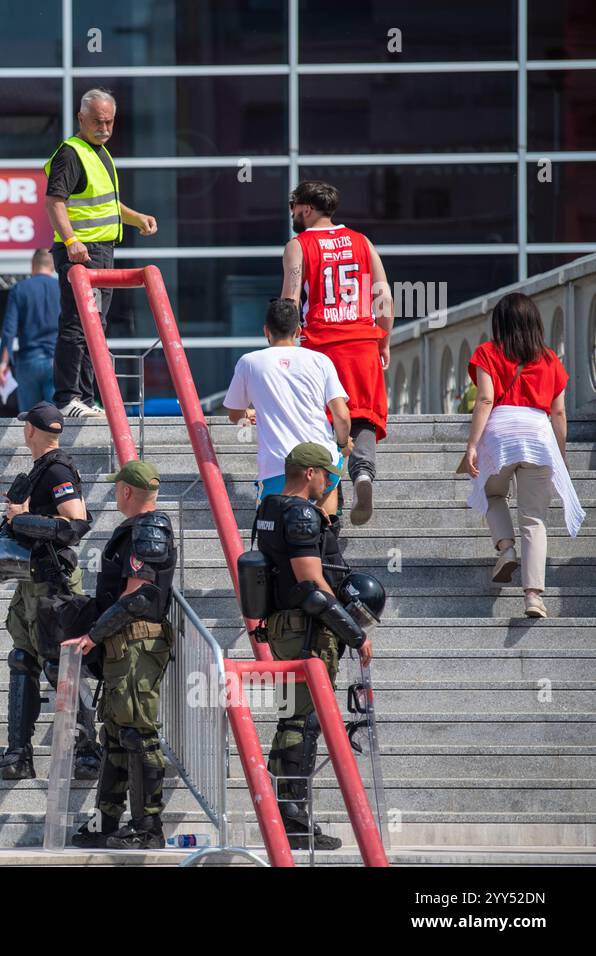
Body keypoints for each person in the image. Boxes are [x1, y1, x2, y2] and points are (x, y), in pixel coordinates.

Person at [254, 443, 374, 850]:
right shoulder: (302, 514)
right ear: (309, 473)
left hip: (283, 625)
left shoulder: (270, 507)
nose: (329, 482)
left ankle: (282, 811)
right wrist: (354, 634)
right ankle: (293, 819)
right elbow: (311, 584)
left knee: (292, 719)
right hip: (306, 628)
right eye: (327, 475)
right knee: (302, 723)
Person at [66, 461, 175, 849]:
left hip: (136, 641)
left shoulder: (148, 528)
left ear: (127, 491)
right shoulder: (136, 529)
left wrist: (93, 636)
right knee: (115, 734)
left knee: (137, 733)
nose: (115, 495)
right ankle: (106, 823)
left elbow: (138, 594)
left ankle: (148, 828)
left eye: (118, 489)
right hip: (122, 642)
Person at [464, 292, 586, 618]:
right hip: (539, 436)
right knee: (534, 518)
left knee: (491, 493)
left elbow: (486, 400)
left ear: (499, 323)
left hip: (501, 434)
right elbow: (559, 413)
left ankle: (506, 547)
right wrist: (559, 454)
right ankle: (533, 597)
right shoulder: (550, 359)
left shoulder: (487, 352)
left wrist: (472, 445)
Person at [0, 401, 100, 781]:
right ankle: (18, 752)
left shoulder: (57, 469)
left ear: (29, 431)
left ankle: (88, 751)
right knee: (22, 660)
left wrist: (23, 519)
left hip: (53, 581)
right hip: (30, 580)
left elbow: (75, 523)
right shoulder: (39, 470)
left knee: (60, 666)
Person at [281, 180, 393, 526]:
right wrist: (383, 340)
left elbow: (290, 299)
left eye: (294, 208)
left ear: (307, 209)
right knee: (362, 417)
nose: (293, 215)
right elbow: (384, 298)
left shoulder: (298, 245)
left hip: (321, 345)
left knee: (320, 419)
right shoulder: (363, 242)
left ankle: (331, 498)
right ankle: (363, 474)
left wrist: (284, 343)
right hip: (361, 342)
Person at [44, 88, 157, 419]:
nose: (104, 128)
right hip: (82, 252)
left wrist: (136, 219)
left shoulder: (101, 154)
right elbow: (55, 200)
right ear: (81, 118)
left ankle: (86, 397)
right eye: (97, 122)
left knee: (95, 324)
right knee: (79, 324)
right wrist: (70, 241)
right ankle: (68, 396)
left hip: (101, 250)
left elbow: (108, 204)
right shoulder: (71, 153)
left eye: (109, 122)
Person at [224, 298, 353, 513]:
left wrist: (249, 413)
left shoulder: (249, 362)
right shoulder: (320, 360)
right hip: (322, 461)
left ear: (266, 330)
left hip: (277, 467)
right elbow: (341, 415)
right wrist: (342, 445)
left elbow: (235, 414)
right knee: (325, 528)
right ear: (298, 330)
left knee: (275, 532)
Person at [0, 249, 60, 412]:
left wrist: (4, 362)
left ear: (32, 265)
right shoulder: (62, 288)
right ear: (53, 267)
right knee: (56, 417)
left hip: (28, 361)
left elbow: (9, 330)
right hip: (57, 361)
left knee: (29, 419)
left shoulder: (20, 289)